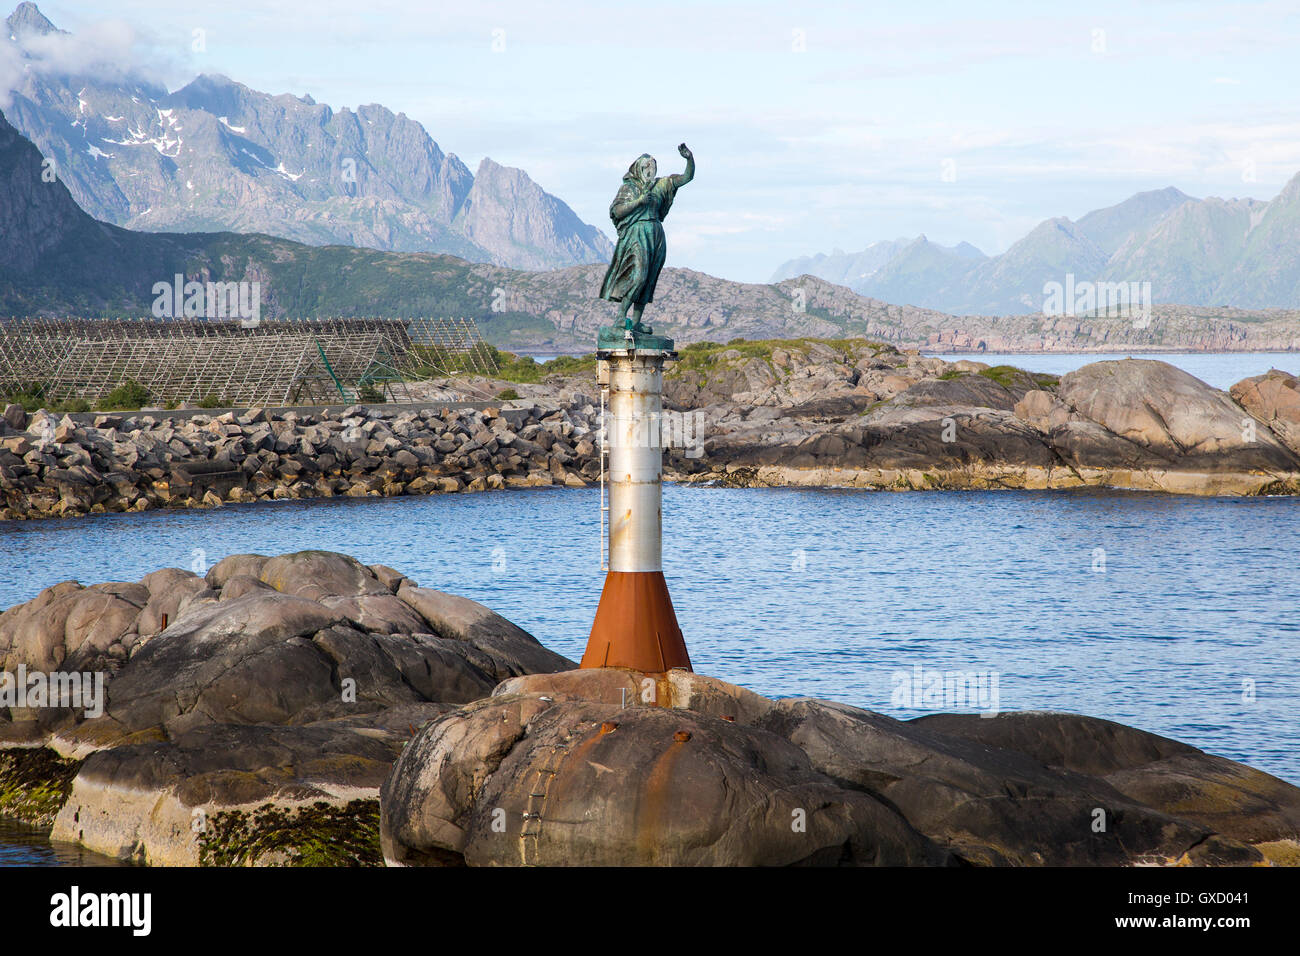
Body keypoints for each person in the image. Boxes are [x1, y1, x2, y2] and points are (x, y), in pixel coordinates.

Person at [598, 143, 694, 333]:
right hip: (637, 234)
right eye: (646, 167)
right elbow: (617, 211)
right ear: (638, 169)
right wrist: (639, 201)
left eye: (653, 166)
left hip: (656, 234)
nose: (651, 170)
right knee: (639, 275)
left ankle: (636, 322)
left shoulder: (662, 184)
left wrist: (689, 159)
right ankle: (620, 317)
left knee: (649, 278)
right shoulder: (629, 188)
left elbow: (687, 177)